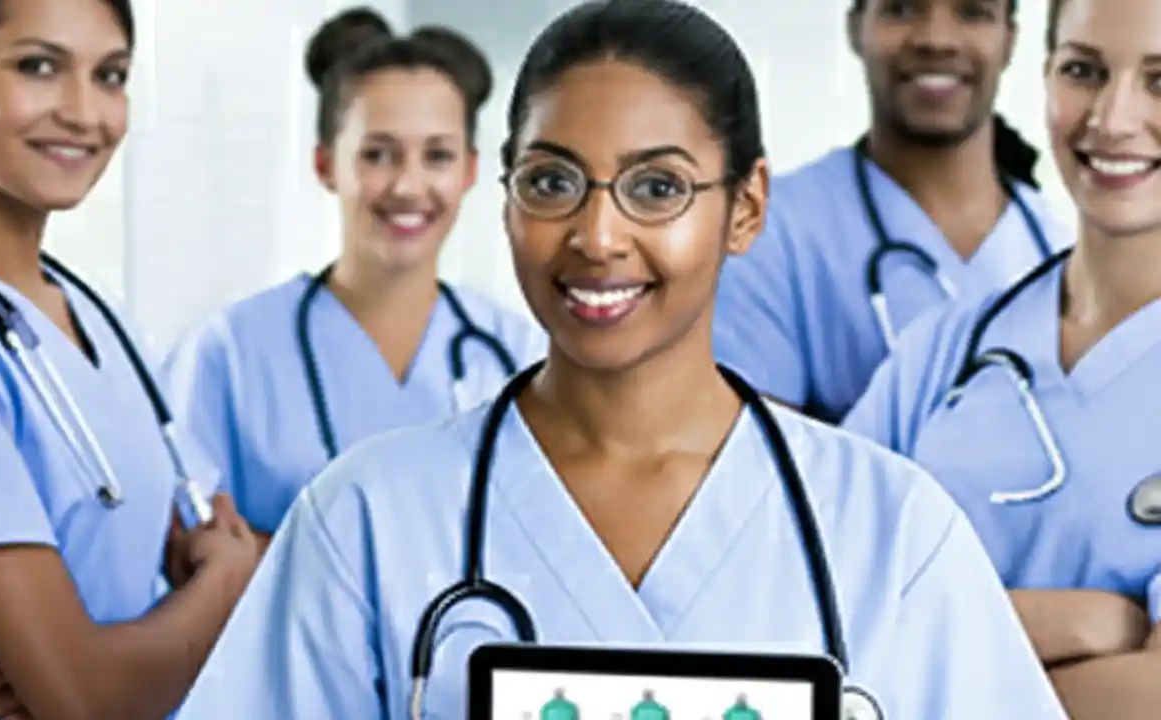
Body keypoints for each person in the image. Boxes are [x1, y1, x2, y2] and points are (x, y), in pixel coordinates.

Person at [173, 1, 1066, 718]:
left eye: (658, 188)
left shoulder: (890, 531)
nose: (597, 236)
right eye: (553, 182)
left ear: (747, 207)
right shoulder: (366, 519)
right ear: (508, 197)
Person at [0, 1, 259, 718]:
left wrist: (139, 642)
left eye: (110, 75)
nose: (86, 112)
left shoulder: (89, 307)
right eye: (39, 66)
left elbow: (209, 534)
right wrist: (221, 592)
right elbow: (86, 700)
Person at [843, 0, 1161, 714]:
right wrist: (1095, 621)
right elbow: (813, 597)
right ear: (1045, 74)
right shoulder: (945, 350)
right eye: (1083, 71)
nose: (1112, 119)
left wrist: (918, 672)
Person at [161, 7, 547, 544]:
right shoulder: (228, 354)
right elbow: (195, 550)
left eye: (438, 155)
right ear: (325, 165)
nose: (409, 186)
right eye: (379, 155)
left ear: (471, 171)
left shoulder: (520, 353)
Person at [711, 0, 1071, 423]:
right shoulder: (769, 232)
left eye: (972, 12)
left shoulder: (1060, 247)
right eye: (901, 9)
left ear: (1009, 40)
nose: (936, 39)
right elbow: (761, 464)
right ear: (854, 28)